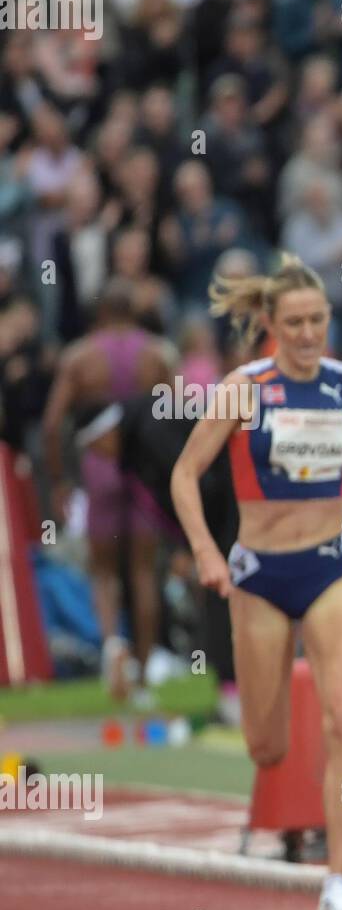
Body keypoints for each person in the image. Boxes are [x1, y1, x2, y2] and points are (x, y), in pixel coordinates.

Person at [171, 254, 342, 910]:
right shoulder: (243, 389)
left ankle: (338, 879)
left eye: (317, 320)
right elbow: (186, 476)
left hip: (330, 565)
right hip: (259, 576)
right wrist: (205, 553)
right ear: (270, 324)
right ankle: (298, 794)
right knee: (266, 745)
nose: (307, 333)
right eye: (294, 323)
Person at [41, 279, 174, 700]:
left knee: (103, 572)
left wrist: (61, 479)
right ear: (133, 312)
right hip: (144, 469)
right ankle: (146, 666)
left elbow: (50, 424)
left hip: (100, 467)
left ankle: (114, 647)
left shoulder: (80, 356)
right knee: (143, 571)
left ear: (98, 313)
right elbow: (178, 414)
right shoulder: (157, 352)